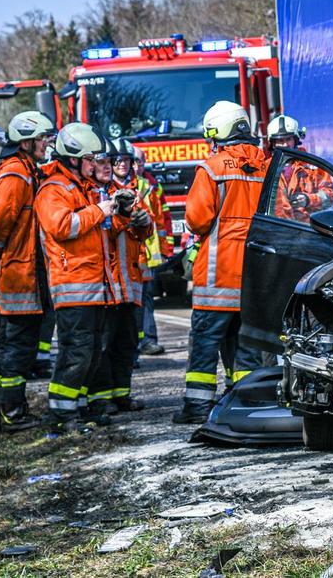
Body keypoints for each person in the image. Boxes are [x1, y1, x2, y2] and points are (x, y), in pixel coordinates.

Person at [173, 101, 270, 425]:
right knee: (246, 349)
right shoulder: (267, 167)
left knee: (205, 345)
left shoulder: (212, 168)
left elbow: (197, 219)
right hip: (255, 280)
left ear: (218, 132)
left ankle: (197, 407)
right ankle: (245, 402)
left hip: (217, 280)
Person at [34, 123, 121, 432]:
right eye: (89, 159)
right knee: (76, 353)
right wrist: (99, 211)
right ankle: (60, 416)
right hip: (73, 286)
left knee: (91, 351)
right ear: (73, 158)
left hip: (92, 286)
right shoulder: (54, 189)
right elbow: (62, 227)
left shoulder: (82, 187)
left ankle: (79, 407)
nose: (94, 165)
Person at [0, 111, 56, 433]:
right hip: (19, 274)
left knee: (7, 348)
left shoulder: (26, 171)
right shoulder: (16, 175)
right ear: (26, 142)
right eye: (42, 139)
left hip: (19, 272)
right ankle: (13, 414)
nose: (47, 144)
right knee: (18, 350)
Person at [89, 139, 150, 415]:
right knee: (103, 344)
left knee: (126, 342)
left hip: (127, 283)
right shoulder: (92, 196)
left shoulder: (126, 193)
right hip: (104, 285)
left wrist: (145, 223)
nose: (110, 167)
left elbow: (144, 228)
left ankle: (122, 395)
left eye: (112, 162)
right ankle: (101, 399)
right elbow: (104, 230)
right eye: (105, 162)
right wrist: (123, 215)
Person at [130, 146, 170, 356]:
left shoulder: (151, 186)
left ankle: (148, 340)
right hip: (129, 255)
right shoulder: (118, 186)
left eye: (139, 162)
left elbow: (162, 220)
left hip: (146, 254)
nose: (136, 166)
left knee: (146, 299)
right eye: (133, 162)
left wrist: (165, 250)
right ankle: (134, 344)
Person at [267, 114, 333, 222]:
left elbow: (330, 196)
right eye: (280, 140)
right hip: (274, 227)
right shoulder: (264, 168)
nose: (284, 144)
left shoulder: (313, 167)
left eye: (288, 139)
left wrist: (308, 199)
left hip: (305, 228)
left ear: (295, 140)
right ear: (273, 143)